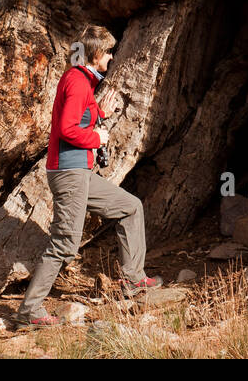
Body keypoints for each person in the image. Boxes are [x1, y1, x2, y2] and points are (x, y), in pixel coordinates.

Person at [15, 25, 163, 328]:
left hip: (76, 171)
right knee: (65, 243)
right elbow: (67, 129)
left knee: (130, 207)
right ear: (95, 54)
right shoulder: (78, 83)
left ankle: (133, 280)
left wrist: (99, 116)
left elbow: (77, 117)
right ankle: (30, 311)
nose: (111, 57)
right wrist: (97, 137)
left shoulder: (79, 78)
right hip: (70, 173)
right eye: (108, 52)